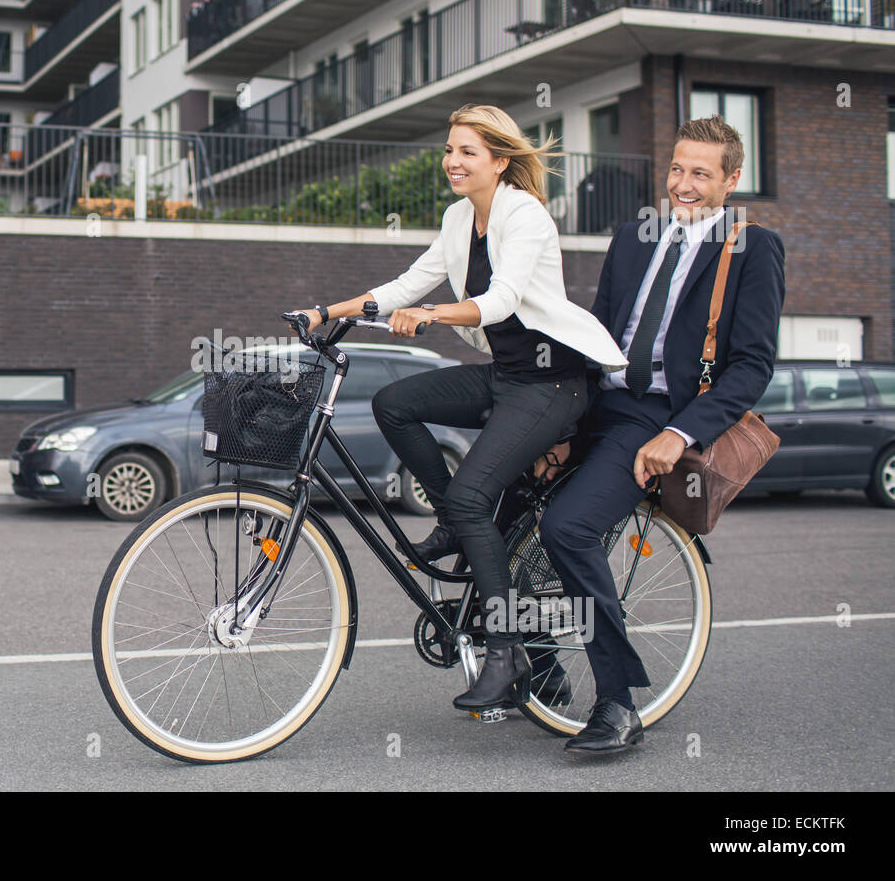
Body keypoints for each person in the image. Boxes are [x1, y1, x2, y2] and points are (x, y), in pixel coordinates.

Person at [293, 105, 627, 711]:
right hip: (506, 377)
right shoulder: (456, 219)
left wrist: (432, 316)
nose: (452, 161)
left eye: (467, 151)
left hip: (552, 384)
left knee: (478, 497)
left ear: (500, 162)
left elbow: (500, 302)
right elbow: (402, 286)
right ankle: (454, 521)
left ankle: (503, 655)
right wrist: (326, 312)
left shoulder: (524, 214)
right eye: (449, 150)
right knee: (395, 402)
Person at [535, 115, 786, 754]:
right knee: (493, 492)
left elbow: (752, 365)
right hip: (596, 403)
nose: (684, 184)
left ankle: (618, 704)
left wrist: (679, 431)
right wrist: (556, 416)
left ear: (732, 180)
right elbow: (600, 333)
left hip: (654, 417)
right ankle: (529, 660)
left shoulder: (753, 248)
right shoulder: (633, 238)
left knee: (568, 526)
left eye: (701, 173)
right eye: (677, 169)